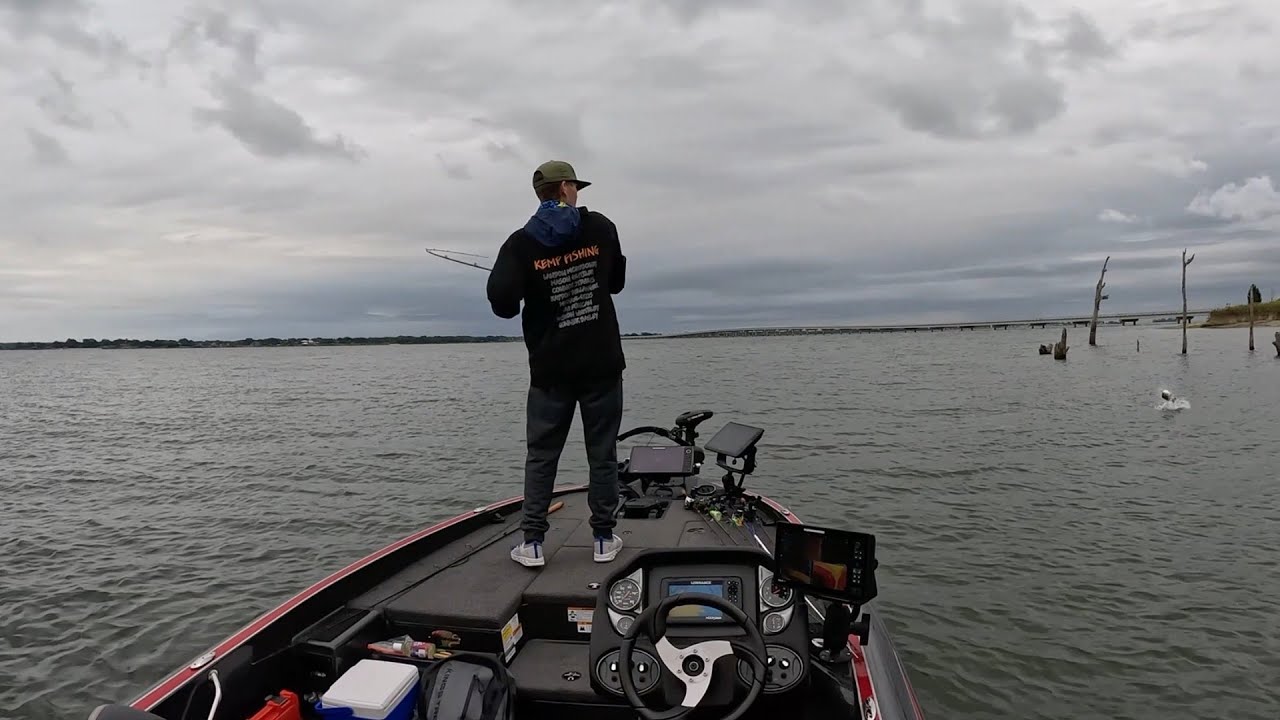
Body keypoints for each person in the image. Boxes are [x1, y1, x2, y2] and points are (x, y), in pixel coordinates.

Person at [486, 160, 627, 568]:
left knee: (542, 455)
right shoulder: (600, 227)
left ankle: (531, 543)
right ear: (565, 187)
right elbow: (615, 282)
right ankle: (603, 538)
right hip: (601, 364)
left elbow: (503, 306)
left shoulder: (519, 243)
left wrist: (533, 284)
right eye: (575, 187)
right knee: (602, 453)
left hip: (550, 371)